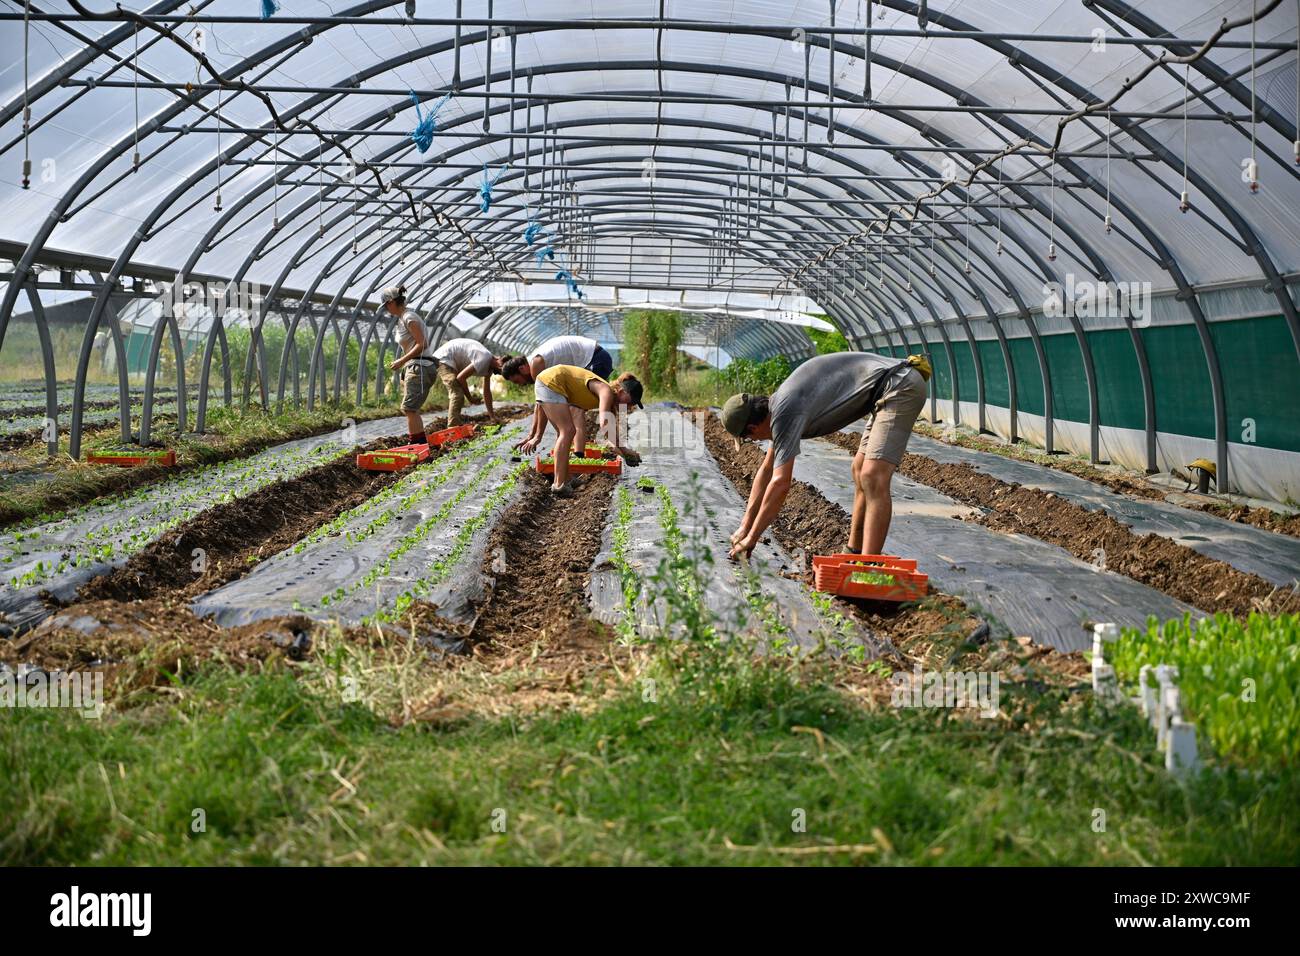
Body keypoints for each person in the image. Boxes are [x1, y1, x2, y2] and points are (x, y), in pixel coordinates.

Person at [721, 351, 931, 561]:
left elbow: (779, 484)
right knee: (859, 470)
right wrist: (745, 527)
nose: (756, 442)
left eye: (749, 438)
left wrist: (752, 538)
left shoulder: (784, 413)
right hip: (885, 390)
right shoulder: (778, 407)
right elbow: (767, 470)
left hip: (899, 385)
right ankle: (853, 553)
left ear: (752, 428)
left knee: (873, 475)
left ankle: (869, 568)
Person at [533, 365, 644, 495]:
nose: (630, 406)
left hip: (552, 383)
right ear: (621, 391)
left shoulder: (608, 398)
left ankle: (566, 478)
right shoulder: (606, 391)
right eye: (630, 402)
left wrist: (625, 454)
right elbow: (605, 424)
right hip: (551, 381)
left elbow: (611, 436)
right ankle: (558, 485)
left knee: (565, 432)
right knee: (567, 431)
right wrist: (625, 450)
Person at [501, 335, 614, 454]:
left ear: (522, 368)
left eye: (518, 381)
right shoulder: (536, 360)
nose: (521, 384)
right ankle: (574, 449)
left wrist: (537, 437)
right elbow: (541, 404)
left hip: (595, 359)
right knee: (573, 409)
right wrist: (532, 435)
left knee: (576, 409)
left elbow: (542, 405)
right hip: (595, 358)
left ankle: (578, 453)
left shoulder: (536, 364)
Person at [381, 285, 440, 445]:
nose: (386, 308)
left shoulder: (409, 318)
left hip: (419, 367)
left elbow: (422, 344)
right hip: (416, 366)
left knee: (409, 409)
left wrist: (401, 361)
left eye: (386, 304)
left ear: (392, 302)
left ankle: (417, 444)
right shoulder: (403, 319)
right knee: (410, 409)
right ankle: (419, 443)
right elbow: (414, 345)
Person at [429, 336, 505, 426]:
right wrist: (470, 398)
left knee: (458, 392)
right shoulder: (484, 358)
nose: (497, 374)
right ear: (500, 362)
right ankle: (453, 428)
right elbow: (461, 378)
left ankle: (454, 424)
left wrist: (492, 416)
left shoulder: (489, 368)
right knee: (457, 393)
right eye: (500, 371)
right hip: (444, 358)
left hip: (450, 361)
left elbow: (487, 392)